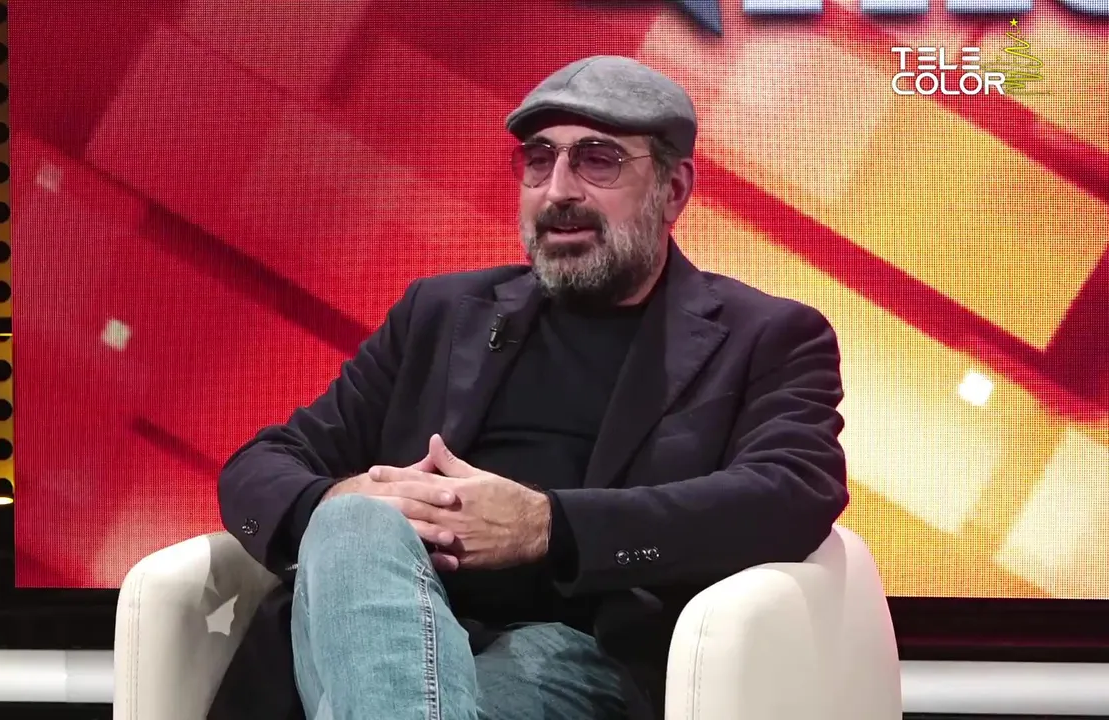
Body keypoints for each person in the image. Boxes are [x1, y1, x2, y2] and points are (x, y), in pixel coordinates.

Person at [210, 55, 849, 720]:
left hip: (578, 650)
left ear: (674, 189)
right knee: (352, 520)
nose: (557, 191)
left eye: (597, 160)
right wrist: (337, 502)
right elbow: (261, 466)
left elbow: (791, 493)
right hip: (373, 633)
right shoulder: (441, 313)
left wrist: (549, 527)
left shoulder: (766, 337)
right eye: (539, 161)